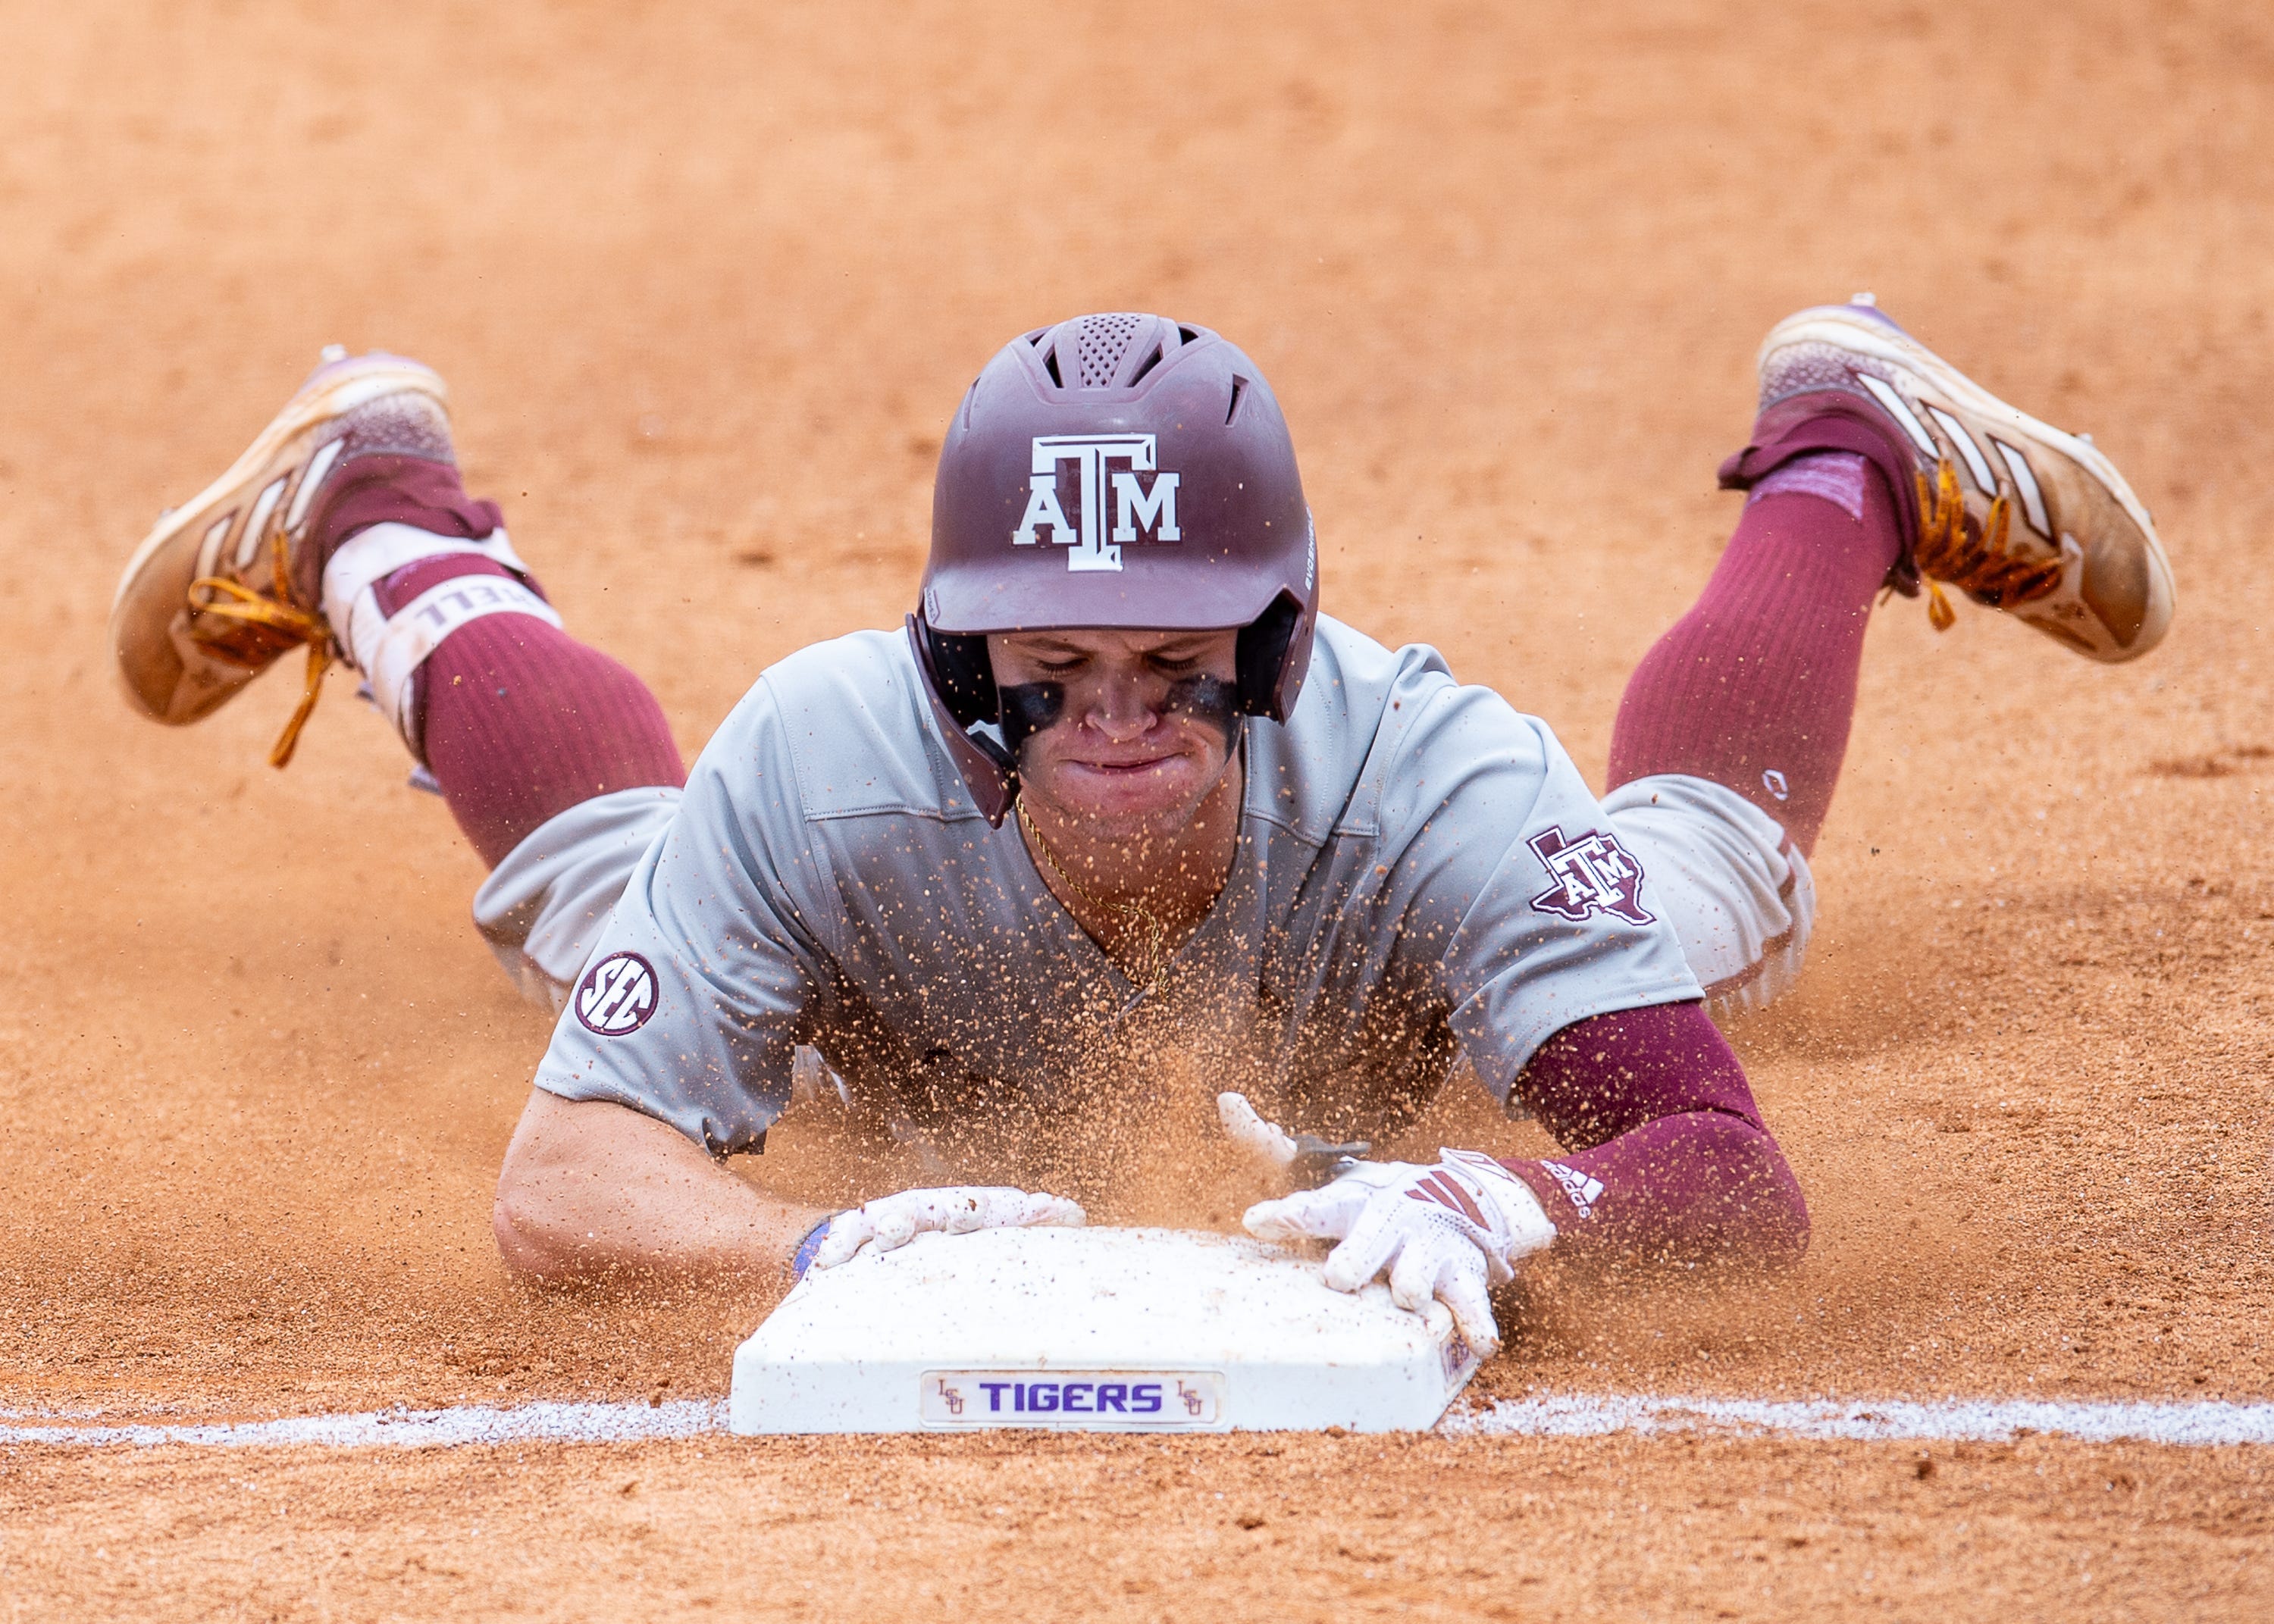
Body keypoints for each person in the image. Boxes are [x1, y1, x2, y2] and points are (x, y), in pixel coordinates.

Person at [109, 300, 2172, 1356]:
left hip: (1420, 1033)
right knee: (598, 892)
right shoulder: (830, 752)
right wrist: (800, 1246)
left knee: (1711, 896)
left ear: (1279, 644)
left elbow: (1732, 1176)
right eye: (1046, 670)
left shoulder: (1433, 782)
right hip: (868, 1042)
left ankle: (1846, 450)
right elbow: (563, 1184)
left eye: (1175, 669)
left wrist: (1517, 1207)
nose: (1111, 722)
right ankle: (376, 516)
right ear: (953, 663)